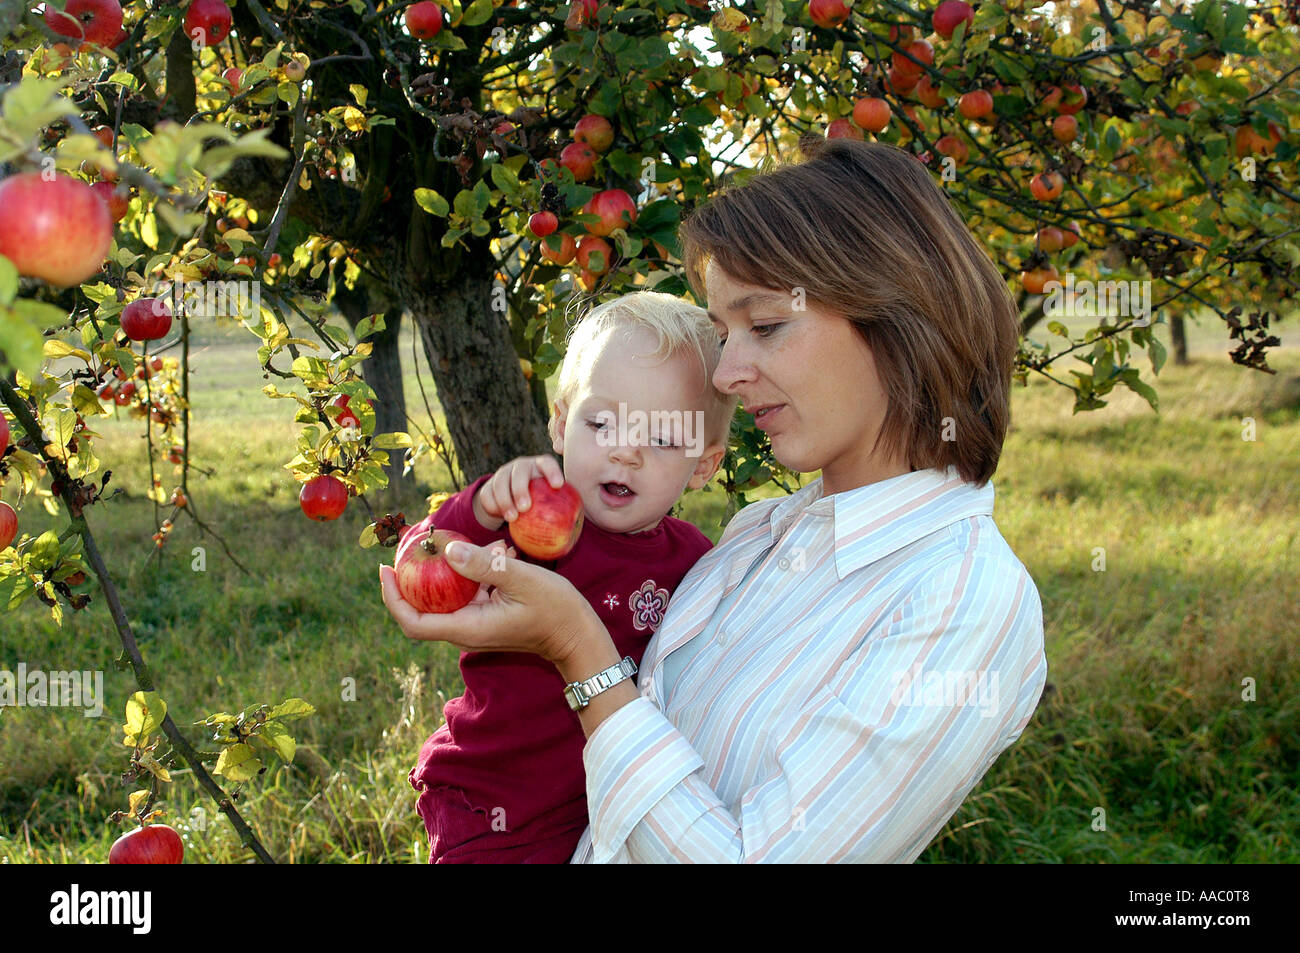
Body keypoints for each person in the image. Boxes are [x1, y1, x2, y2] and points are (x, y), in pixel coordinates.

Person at [380, 138, 1049, 863]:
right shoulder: (762, 531)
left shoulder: (962, 599)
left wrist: (578, 649)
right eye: (726, 334)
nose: (727, 374)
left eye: (764, 326)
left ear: (897, 317)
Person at [404, 291, 739, 862]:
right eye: (601, 422)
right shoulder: (524, 527)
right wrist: (481, 506)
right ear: (561, 425)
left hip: (601, 809)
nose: (626, 451)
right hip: (494, 806)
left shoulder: (696, 562)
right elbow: (429, 558)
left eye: (662, 438)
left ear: (704, 465)